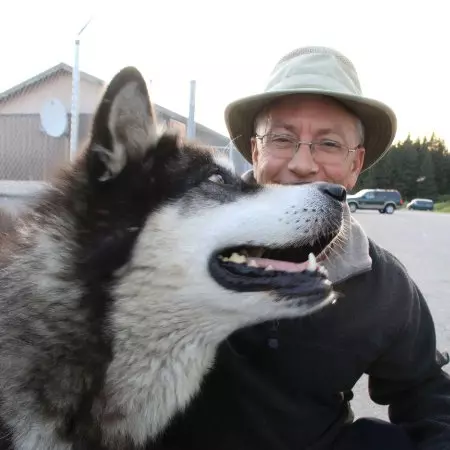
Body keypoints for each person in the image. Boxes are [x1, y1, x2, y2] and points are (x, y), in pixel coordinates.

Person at [155, 47, 450, 450]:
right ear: (255, 151)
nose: (302, 164)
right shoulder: (177, 236)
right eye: (282, 138)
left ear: (355, 165)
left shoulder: (380, 285)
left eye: (328, 144)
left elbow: (425, 392)